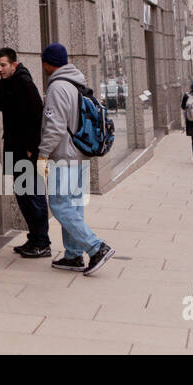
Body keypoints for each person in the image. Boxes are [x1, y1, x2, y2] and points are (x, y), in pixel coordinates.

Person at [36, 43, 115, 275]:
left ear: (48, 63)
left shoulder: (57, 87)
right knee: (74, 205)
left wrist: (43, 154)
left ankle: (96, 247)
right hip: (80, 155)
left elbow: (55, 126)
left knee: (60, 205)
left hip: (64, 156)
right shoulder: (76, 82)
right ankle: (73, 255)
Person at [0, 47, 50, 258]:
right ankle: (34, 238)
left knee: (33, 195)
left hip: (26, 150)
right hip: (12, 145)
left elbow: (37, 115)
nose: (0, 69)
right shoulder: (7, 82)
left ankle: (43, 242)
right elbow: (1, 103)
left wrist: (31, 148)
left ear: (14, 64)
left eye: (3, 65)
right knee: (22, 195)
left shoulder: (24, 82)